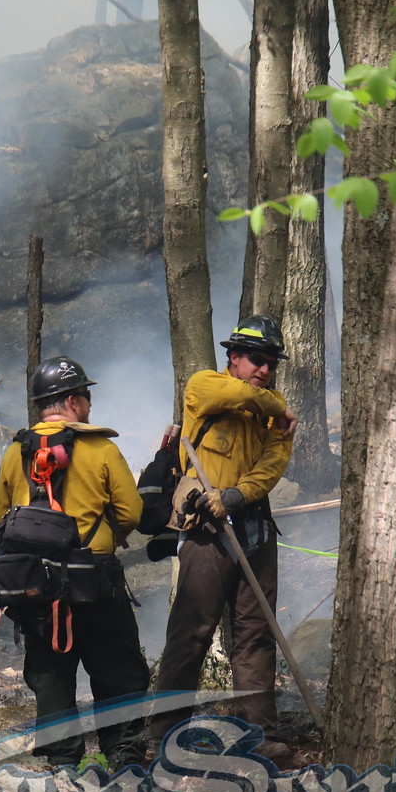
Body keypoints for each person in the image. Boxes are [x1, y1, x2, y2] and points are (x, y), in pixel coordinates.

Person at [148, 315, 297, 758]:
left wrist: (237, 494)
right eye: (255, 358)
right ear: (232, 356)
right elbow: (235, 393)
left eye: (271, 362)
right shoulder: (203, 386)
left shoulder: (273, 408)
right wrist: (273, 404)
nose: (264, 369)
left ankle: (259, 736)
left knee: (255, 635)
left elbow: (274, 462)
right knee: (190, 634)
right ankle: (163, 738)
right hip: (205, 533)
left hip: (253, 528)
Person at [0, 356, 149, 771]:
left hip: (36, 586)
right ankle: (124, 754)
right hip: (94, 579)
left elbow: (3, 514)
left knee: (50, 673)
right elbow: (131, 512)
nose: (90, 404)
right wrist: (109, 538)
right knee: (118, 669)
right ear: (71, 400)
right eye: (86, 395)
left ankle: (61, 761)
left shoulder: (15, 452)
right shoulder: (100, 448)